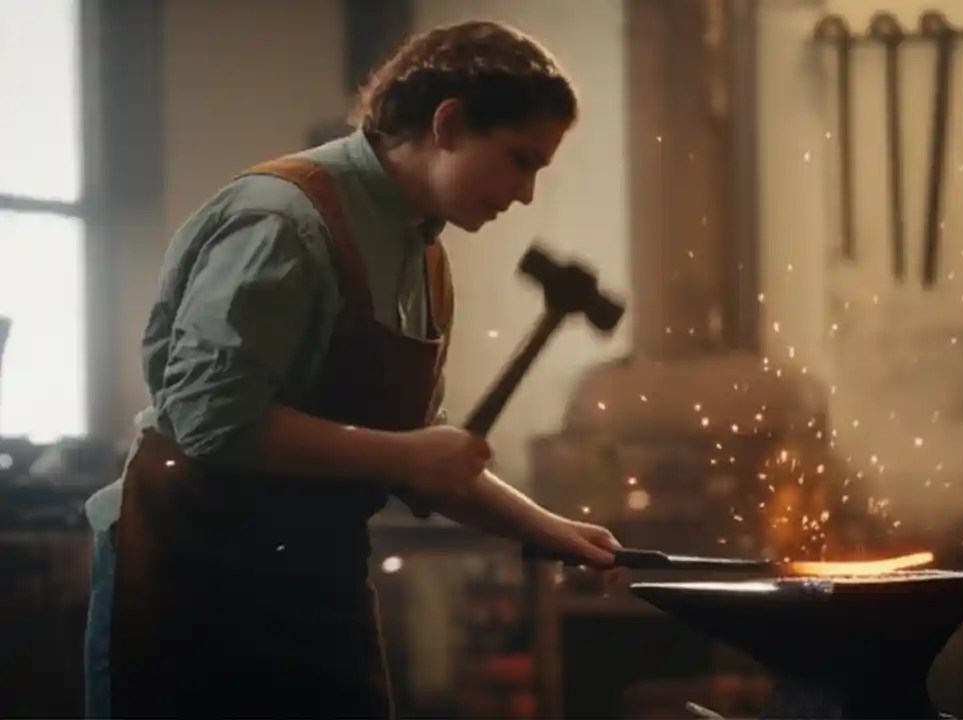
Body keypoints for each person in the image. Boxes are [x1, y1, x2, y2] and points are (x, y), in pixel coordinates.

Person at [82, 20, 621, 719]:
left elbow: (422, 452)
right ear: (449, 123)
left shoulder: (423, 256)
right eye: (521, 160)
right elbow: (211, 417)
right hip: (193, 580)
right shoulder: (284, 222)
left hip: (316, 578)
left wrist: (542, 525)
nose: (525, 194)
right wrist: (405, 454)